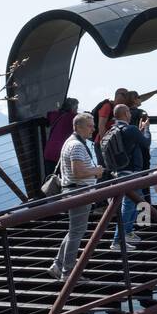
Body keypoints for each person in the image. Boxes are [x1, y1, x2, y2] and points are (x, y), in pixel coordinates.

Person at [48, 112, 103, 281]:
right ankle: (68, 272)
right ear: (78, 127)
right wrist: (96, 171)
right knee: (77, 233)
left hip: (74, 191)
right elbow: (78, 172)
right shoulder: (77, 145)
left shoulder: (71, 142)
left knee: (74, 231)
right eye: (90, 125)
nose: (93, 129)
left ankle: (58, 265)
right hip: (79, 192)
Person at [99, 102, 151, 250]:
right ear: (126, 113)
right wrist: (146, 129)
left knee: (135, 201)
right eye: (128, 111)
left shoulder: (113, 129)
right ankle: (117, 240)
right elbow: (146, 143)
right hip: (131, 173)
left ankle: (127, 233)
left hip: (119, 172)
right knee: (129, 204)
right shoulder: (131, 129)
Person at [43, 97, 79, 175]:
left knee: (49, 179)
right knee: (61, 181)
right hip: (61, 154)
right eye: (76, 108)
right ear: (72, 108)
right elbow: (82, 120)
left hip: (49, 152)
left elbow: (49, 115)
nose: (77, 110)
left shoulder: (56, 115)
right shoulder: (72, 118)